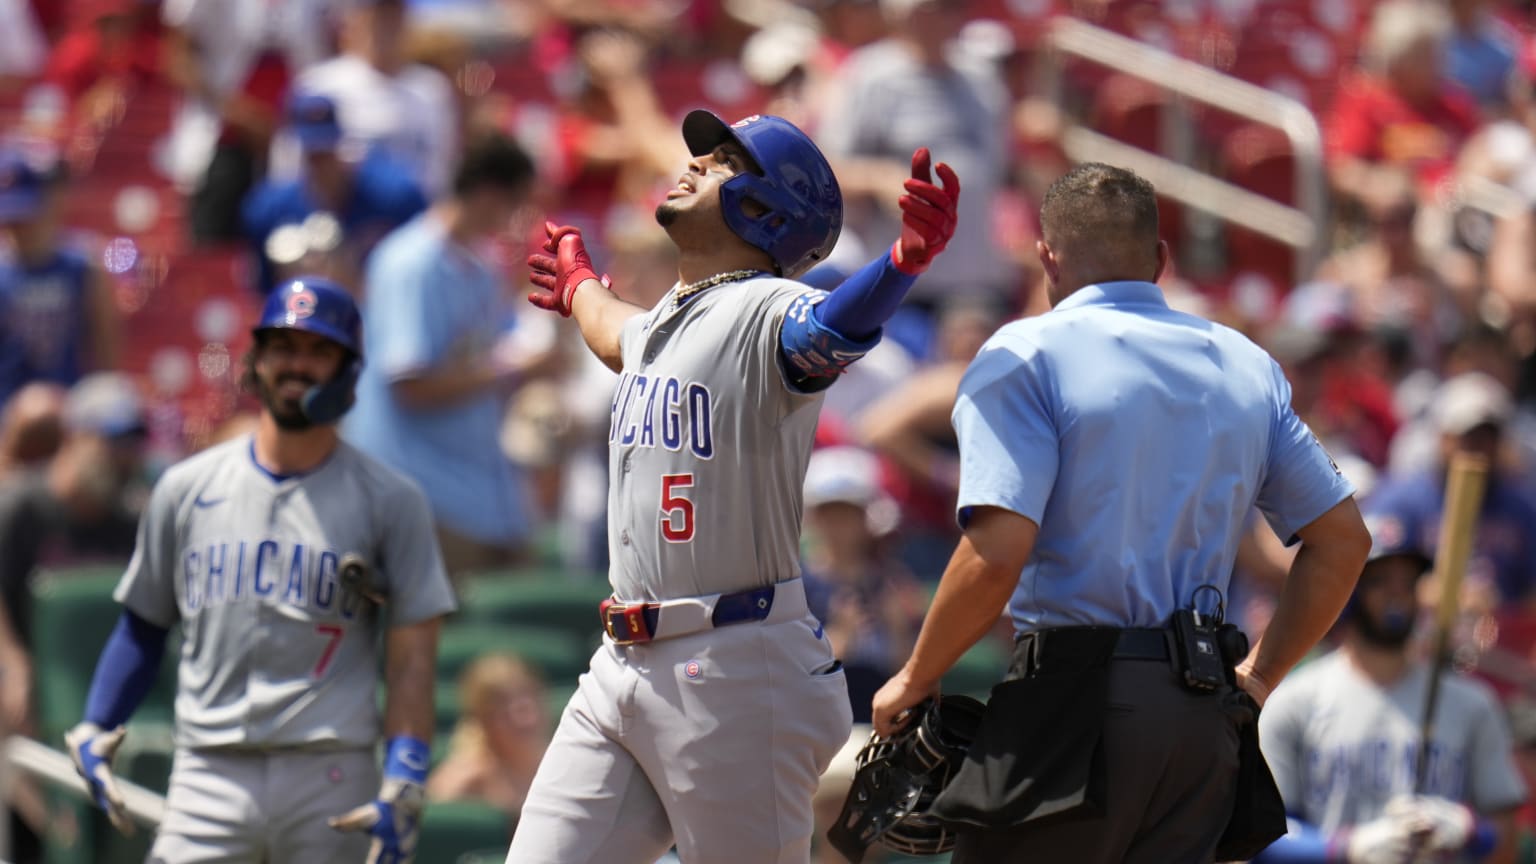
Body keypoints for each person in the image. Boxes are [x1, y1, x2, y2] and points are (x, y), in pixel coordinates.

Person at [870, 162, 1373, 863]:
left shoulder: (1025, 350)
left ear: (1047, 255)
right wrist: (1256, 680)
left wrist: (916, 676)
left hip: (1073, 705)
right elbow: (1344, 541)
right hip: (1201, 717)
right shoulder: (1245, 362)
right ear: (1161, 259)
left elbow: (997, 554)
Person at [506, 109, 961, 862]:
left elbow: (829, 329)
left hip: (733, 670)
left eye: (719, 162)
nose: (690, 164)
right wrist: (582, 284)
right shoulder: (667, 321)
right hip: (623, 664)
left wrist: (901, 266)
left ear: (765, 208)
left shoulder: (766, 306)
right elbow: (615, 329)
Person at [63, 277, 457, 863]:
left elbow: (411, 660)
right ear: (256, 360)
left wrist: (405, 771)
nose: (297, 366)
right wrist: (98, 721)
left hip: (329, 767)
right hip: (207, 767)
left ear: (349, 371)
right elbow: (144, 624)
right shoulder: (185, 487)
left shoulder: (390, 500)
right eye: (283, 347)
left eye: (319, 351)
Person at [1253, 513, 1527, 863]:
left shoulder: (1472, 702)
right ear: (1349, 591)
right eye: (1380, 581)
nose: (1397, 595)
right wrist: (1343, 848)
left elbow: (1507, 838)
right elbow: (1258, 838)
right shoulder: (1295, 701)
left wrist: (1470, 829)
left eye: (1407, 582)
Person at [343, 132, 545, 576]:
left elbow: (504, 353)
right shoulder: (409, 263)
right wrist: (511, 367)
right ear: (490, 194)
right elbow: (411, 385)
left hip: (481, 492)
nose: (518, 217)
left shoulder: (483, 263)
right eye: (516, 203)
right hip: (420, 492)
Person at [427, 652, 552, 817]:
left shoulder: (564, 766)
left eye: (529, 699)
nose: (523, 717)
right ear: (482, 720)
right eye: (504, 707)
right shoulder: (464, 781)